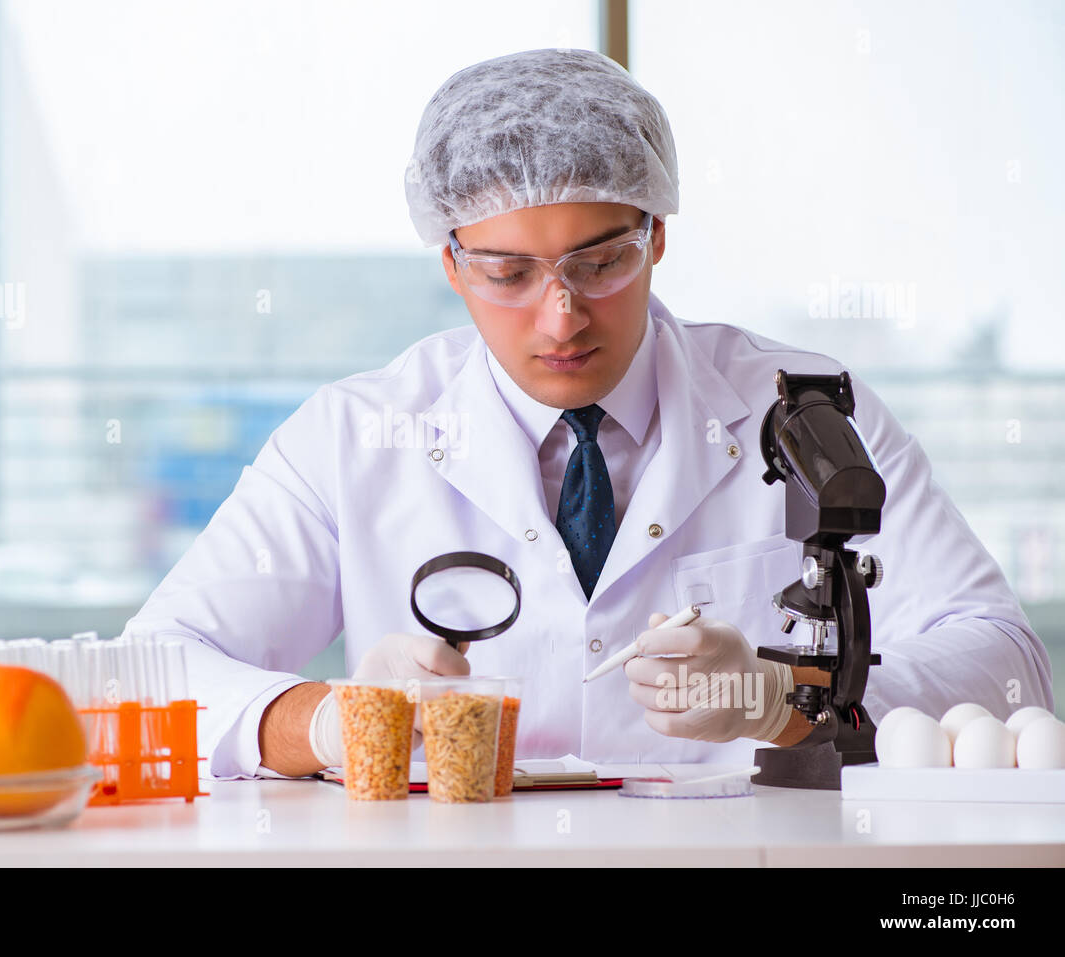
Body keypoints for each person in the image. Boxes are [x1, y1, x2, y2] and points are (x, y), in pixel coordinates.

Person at [123, 48, 1053, 780]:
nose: (561, 315)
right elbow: (156, 668)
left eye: (600, 261)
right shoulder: (352, 436)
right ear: (450, 263)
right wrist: (327, 720)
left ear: (656, 235)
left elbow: (1008, 662)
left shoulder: (803, 410)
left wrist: (788, 696)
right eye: (509, 272)